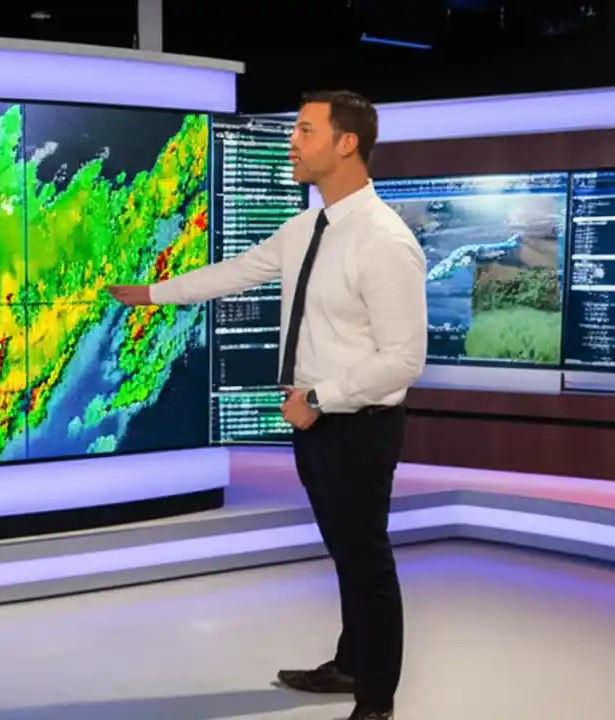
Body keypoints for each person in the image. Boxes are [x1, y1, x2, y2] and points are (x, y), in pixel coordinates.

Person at [107, 90, 427, 720]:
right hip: (313, 423)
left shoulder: (385, 241)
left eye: (306, 131)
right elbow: (237, 271)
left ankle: (376, 701)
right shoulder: (307, 227)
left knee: (365, 560)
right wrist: (153, 294)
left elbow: (402, 360)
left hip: (358, 425)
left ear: (347, 144)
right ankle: (352, 663)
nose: (292, 143)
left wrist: (319, 397)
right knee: (346, 553)